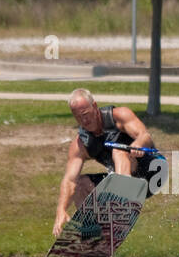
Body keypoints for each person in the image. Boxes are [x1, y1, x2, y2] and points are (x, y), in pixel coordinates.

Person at [53, 89, 160, 237]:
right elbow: (70, 180)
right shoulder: (81, 144)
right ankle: (92, 231)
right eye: (78, 118)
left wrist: (138, 144)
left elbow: (145, 135)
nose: (84, 121)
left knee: (118, 149)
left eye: (85, 114)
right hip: (126, 178)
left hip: (153, 171)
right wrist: (61, 209)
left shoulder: (119, 116)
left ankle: (122, 202)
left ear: (95, 106)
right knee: (80, 185)